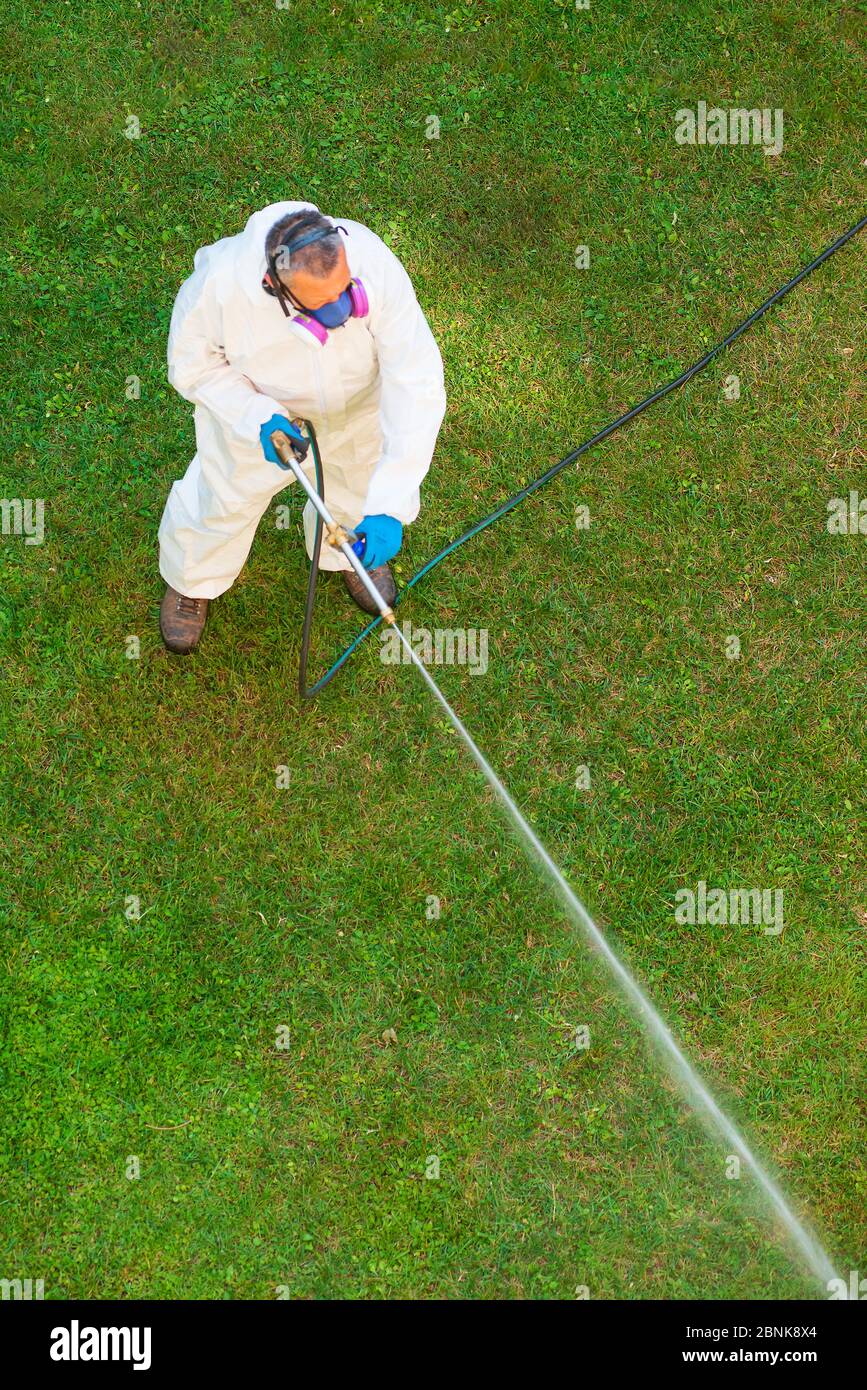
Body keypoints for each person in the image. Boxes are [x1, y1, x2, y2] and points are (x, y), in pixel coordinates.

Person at [157, 201, 446, 653]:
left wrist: (391, 503)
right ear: (273, 285)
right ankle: (193, 579)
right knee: (224, 497)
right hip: (265, 420)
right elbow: (192, 367)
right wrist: (254, 415)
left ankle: (345, 554)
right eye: (323, 304)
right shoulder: (220, 286)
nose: (344, 311)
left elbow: (417, 381)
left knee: (354, 484)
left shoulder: (371, 260)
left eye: (345, 290)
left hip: (354, 408)